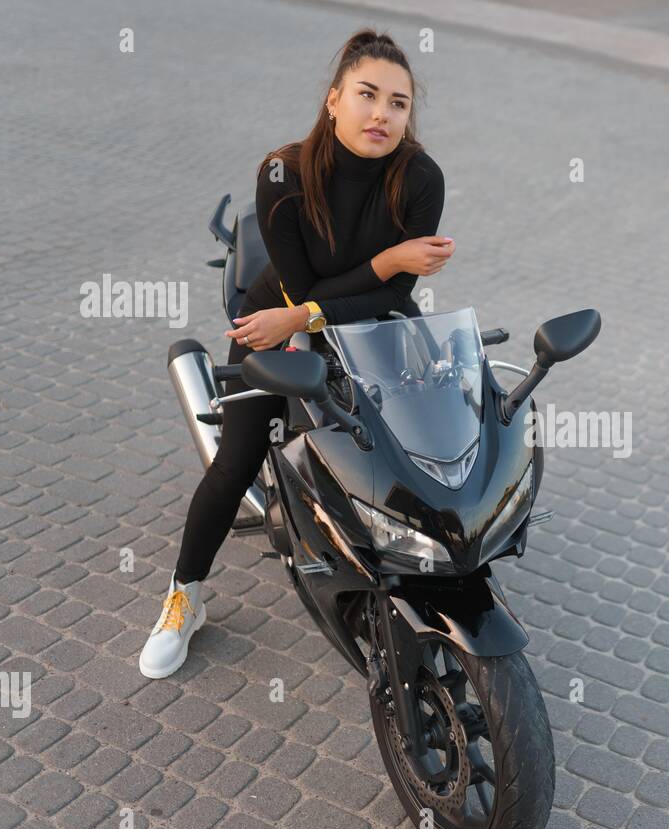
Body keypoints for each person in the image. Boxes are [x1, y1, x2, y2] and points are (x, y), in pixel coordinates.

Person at [141, 28, 454, 679]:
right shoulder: (282, 173)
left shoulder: (421, 177)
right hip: (273, 316)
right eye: (367, 95)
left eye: (398, 103)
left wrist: (355, 287)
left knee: (423, 431)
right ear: (334, 99)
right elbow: (305, 288)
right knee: (236, 461)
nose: (382, 114)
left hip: (370, 321)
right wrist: (376, 268)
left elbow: (395, 295)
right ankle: (184, 598)